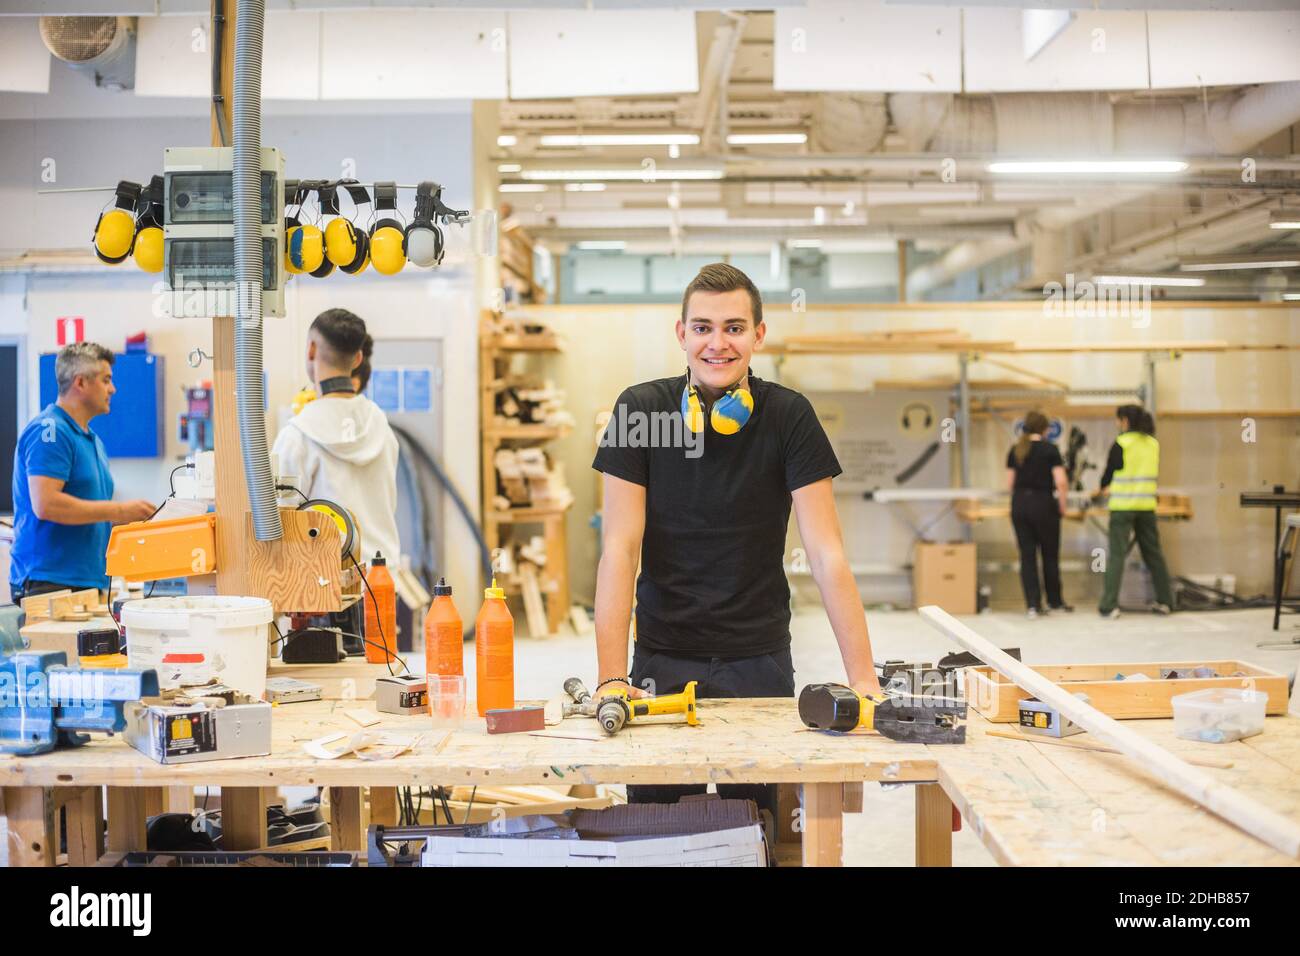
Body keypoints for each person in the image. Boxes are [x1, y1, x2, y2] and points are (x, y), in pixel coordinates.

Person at [590, 262, 882, 822]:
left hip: (759, 659)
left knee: (758, 831)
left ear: (758, 335)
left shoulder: (788, 416)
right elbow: (620, 551)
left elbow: (826, 553)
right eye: (702, 327)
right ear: (681, 335)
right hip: (662, 655)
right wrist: (611, 678)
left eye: (734, 327)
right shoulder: (640, 409)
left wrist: (863, 679)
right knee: (657, 835)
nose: (717, 343)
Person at [9, 342, 155, 600]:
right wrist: (120, 510)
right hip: (49, 583)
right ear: (80, 383)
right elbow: (46, 504)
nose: (113, 388)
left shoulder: (91, 440)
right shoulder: (49, 431)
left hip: (86, 581)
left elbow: (90, 511)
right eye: (106, 380)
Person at [273, 310, 400, 565]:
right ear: (358, 359)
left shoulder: (296, 438)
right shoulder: (382, 428)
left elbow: (279, 525)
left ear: (311, 350)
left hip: (330, 590)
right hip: (383, 579)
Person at [1097, 404, 1173, 618]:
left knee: (1117, 556)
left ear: (1125, 421)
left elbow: (1109, 473)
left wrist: (1101, 488)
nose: (1116, 424)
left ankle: (1109, 605)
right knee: (1154, 554)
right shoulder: (1152, 443)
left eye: (1118, 420)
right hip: (1146, 507)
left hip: (1122, 508)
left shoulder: (1121, 443)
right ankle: (1166, 601)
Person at [1005, 411, 1071, 618]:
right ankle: (1054, 601)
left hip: (1020, 505)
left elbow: (1009, 484)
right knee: (1049, 555)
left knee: (1027, 556)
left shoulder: (1016, 449)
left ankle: (1033, 604)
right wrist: (1062, 505)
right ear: (1045, 429)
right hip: (1043, 505)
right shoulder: (1050, 450)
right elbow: (1061, 481)